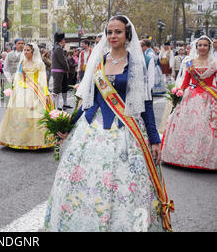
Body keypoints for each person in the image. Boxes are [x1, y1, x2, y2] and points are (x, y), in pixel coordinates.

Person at [44, 15, 173, 232]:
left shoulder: (136, 64)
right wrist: (68, 126)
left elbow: (146, 104)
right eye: (110, 32)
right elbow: (87, 101)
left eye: (118, 32)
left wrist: (154, 139)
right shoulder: (99, 61)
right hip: (92, 128)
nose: (113, 36)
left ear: (127, 35)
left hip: (126, 131)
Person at [161, 35, 216, 170]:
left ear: (209, 48)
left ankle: (204, 158)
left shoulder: (214, 63)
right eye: (200, 45)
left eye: (205, 45)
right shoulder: (189, 62)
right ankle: (181, 156)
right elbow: (186, 81)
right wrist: (178, 93)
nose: (202, 47)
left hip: (209, 98)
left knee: (206, 127)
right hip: (190, 97)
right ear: (196, 47)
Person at [0, 43, 54, 150]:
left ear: (33, 52)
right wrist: (16, 88)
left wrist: (45, 93)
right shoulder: (22, 62)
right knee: (19, 114)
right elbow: (19, 77)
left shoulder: (39, 64)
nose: (25, 52)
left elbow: (42, 80)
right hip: (22, 89)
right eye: (25, 50)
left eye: (28, 50)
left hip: (35, 90)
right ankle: (18, 140)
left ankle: (37, 140)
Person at [51, 32, 70, 110]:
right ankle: (56, 106)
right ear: (61, 40)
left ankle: (57, 105)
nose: (64, 41)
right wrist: (67, 68)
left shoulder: (57, 47)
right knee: (57, 89)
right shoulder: (58, 48)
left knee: (58, 88)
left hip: (58, 71)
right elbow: (63, 61)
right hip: (58, 71)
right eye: (64, 39)